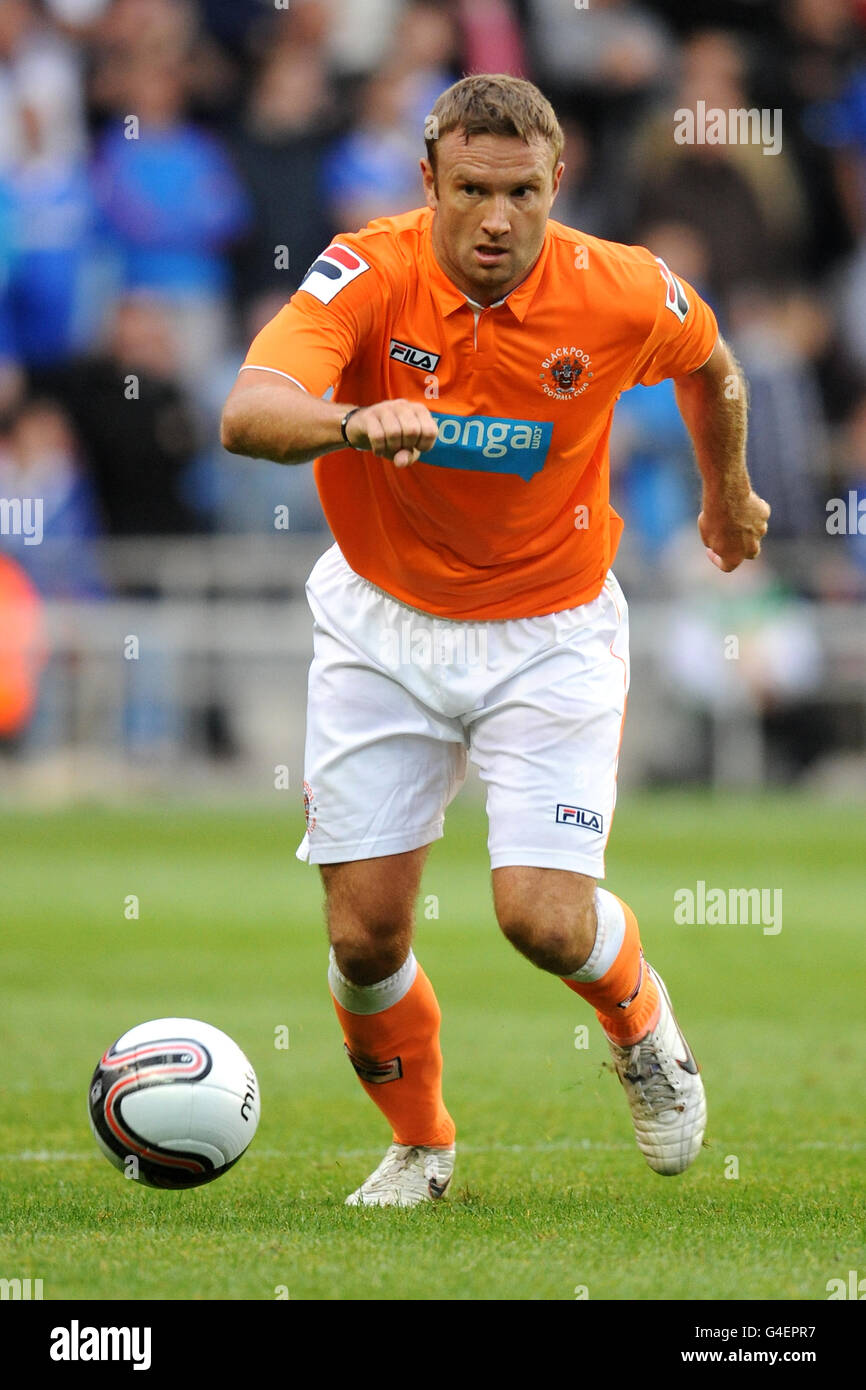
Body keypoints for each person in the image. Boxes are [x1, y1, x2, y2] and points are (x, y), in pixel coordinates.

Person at [221, 74, 770, 1207]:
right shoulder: (366, 272)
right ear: (427, 181)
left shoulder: (618, 289)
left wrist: (727, 497)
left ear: (554, 183)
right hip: (383, 621)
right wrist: (349, 420)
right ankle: (421, 1147)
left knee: (540, 918)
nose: (494, 219)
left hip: (549, 628)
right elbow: (250, 408)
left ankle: (640, 1025)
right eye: (470, 189)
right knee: (364, 935)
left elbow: (712, 365)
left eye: (520, 192)